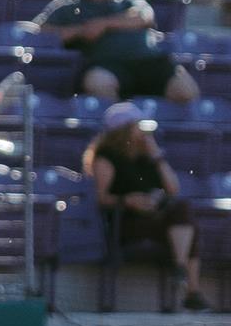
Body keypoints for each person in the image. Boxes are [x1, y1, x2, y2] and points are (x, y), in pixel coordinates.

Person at [83, 105, 209, 312]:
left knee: (184, 212)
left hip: (154, 218)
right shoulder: (106, 156)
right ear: (124, 129)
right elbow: (102, 198)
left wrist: (157, 156)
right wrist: (129, 200)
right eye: (138, 126)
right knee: (187, 225)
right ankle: (191, 291)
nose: (144, 131)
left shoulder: (146, 156)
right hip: (125, 222)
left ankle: (181, 270)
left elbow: (173, 189)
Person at [35, 0, 199, 103]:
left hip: (148, 61)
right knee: (97, 83)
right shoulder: (69, 7)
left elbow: (145, 16)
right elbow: (42, 32)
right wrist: (80, 31)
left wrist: (104, 24)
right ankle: (119, 130)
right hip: (107, 65)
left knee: (185, 89)